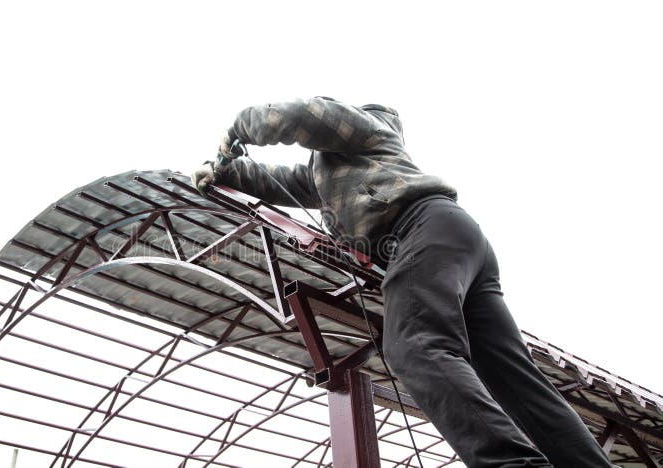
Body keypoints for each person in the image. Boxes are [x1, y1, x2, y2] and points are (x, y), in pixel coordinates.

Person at [192, 97, 613, 467]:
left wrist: (238, 128)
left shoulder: (368, 130)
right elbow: (277, 182)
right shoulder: (330, 175)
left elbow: (307, 115)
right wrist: (225, 170)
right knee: (510, 377)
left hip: (422, 230)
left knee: (413, 343)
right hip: (456, 240)